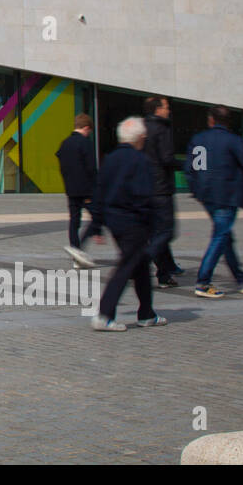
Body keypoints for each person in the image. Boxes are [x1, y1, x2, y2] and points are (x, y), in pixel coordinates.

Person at [186, 106, 243, 298]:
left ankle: (240, 278)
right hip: (226, 195)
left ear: (211, 120)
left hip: (205, 194)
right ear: (228, 122)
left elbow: (189, 169)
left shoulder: (198, 139)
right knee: (220, 236)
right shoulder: (233, 141)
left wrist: (196, 189)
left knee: (225, 236)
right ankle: (203, 282)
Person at [88, 116, 165, 331]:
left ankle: (146, 313)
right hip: (134, 222)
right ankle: (104, 314)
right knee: (125, 267)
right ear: (141, 137)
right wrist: (152, 222)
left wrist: (97, 224)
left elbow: (99, 192)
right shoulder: (140, 161)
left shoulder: (110, 159)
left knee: (139, 266)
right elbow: (144, 195)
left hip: (114, 221)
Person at [142, 96, 184, 288]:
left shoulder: (141, 128)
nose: (169, 110)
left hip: (145, 188)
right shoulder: (162, 128)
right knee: (166, 231)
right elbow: (167, 159)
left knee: (156, 232)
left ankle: (164, 274)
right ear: (157, 109)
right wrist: (186, 165)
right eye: (166, 107)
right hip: (161, 188)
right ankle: (140, 263)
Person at [56, 113, 98, 268]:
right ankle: (79, 250)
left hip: (71, 188)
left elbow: (62, 165)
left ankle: (75, 252)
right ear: (86, 128)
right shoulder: (85, 143)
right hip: (86, 189)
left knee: (74, 220)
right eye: (89, 131)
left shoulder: (65, 143)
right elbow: (91, 167)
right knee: (98, 217)